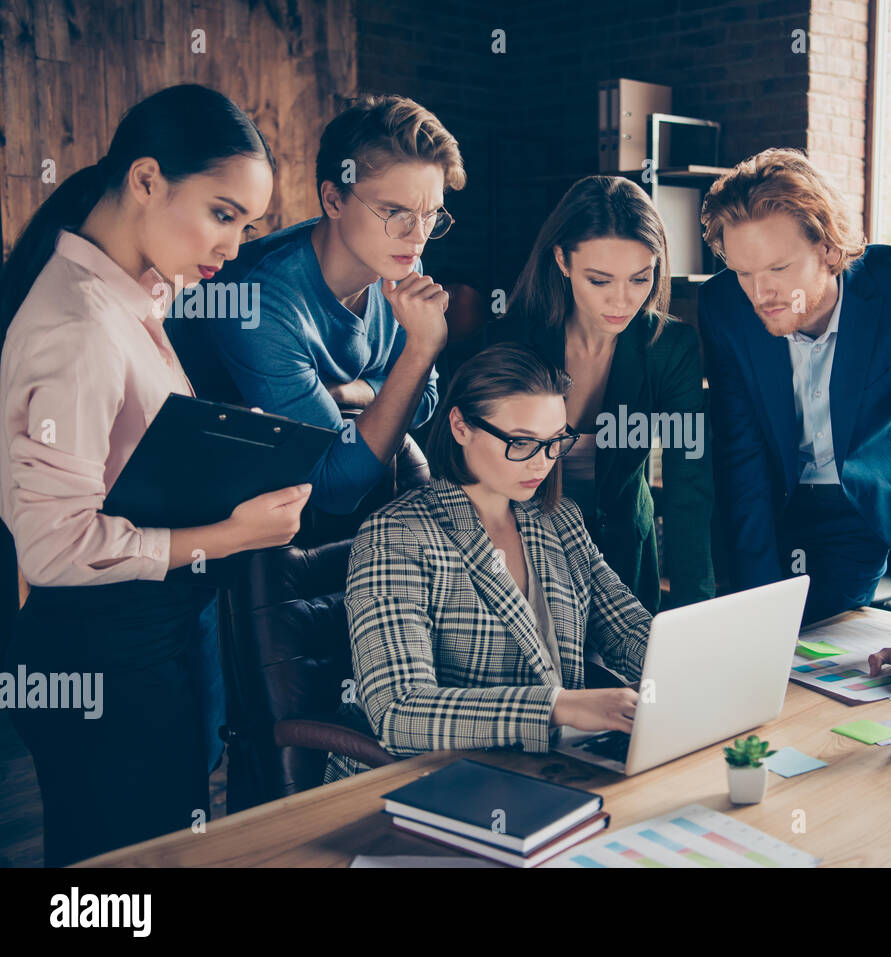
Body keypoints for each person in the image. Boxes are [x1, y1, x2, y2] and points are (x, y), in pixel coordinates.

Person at [0, 84, 311, 867]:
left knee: (149, 861)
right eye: (222, 213)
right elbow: (52, 548)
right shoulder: (79, 327)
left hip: (150, 644)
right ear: (145, 180)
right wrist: (232, 533)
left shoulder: (132, 292)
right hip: (102, 658)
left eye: (248, 224)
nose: (234, 245)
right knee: (112, 880)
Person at [697, 148, 891, 676]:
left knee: (826, 665)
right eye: (744, 272)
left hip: (858, 509)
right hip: (767, 504)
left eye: (779, 268)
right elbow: (741, 455)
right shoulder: (724, 307)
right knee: (754, 660)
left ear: (828, 247)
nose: (762, 294)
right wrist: (760, 613)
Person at [324, 345, 651, 782]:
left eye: (555, 441)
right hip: (425, 781)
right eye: (521, 442)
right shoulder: (396, 535)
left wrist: (679, 669)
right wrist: (560, 706)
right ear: (461, 426)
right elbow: (399, 710)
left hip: (541, 767)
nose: (543, 462)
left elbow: (626, 628)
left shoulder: (557, 518)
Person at [167, 94, 464, 516]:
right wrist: (419, 350)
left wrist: (346, 394)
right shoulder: (259, 303)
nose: (417, 236)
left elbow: (427, 398)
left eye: (431, 213)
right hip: (205, 505)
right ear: (334, 200)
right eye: (393, 210)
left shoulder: (397, 255)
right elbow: (331, 487)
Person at [487, 175, 714, 616]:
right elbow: (478, 478)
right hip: (522, 565)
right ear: (562, 260)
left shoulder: (671, 349)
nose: (622, 301)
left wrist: (694, 619)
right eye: (599, 280)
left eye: (640, 278)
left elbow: (692, 488)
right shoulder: (512, 340)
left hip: (625, 564)